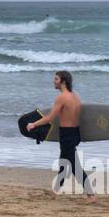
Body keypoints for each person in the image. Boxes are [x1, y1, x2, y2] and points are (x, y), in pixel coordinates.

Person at [37, 70, 94, 200]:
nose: (54, 81)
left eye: (56, 79)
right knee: (64, 163)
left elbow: (50, 117)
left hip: (66, 134)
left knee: (74, 167)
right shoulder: (75, 95)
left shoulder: (62, 97)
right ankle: (55, 190)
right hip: (75, 133)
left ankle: (91, 195)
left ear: (63, 81)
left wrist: (34, 124)